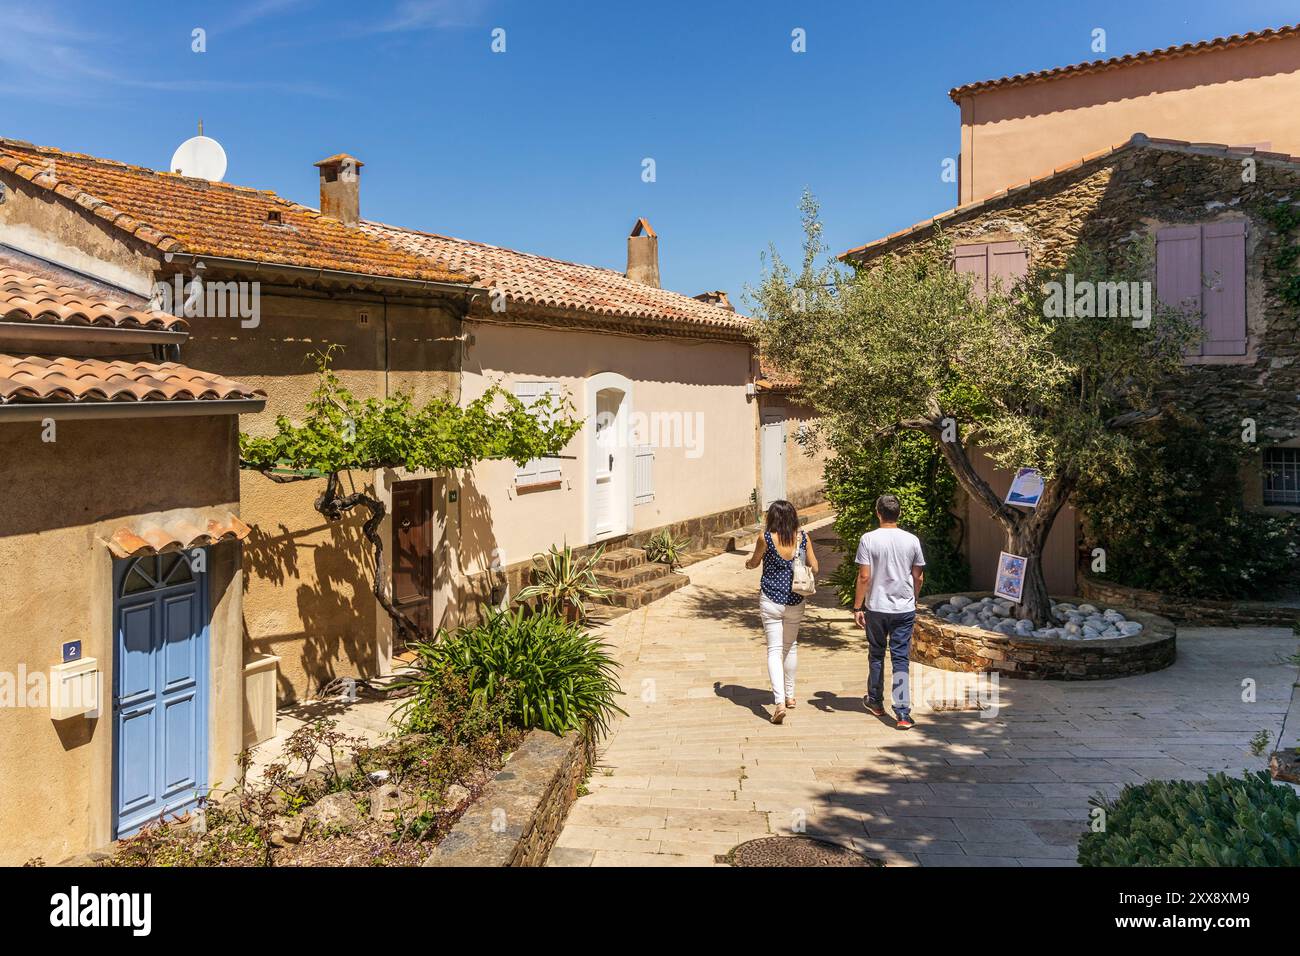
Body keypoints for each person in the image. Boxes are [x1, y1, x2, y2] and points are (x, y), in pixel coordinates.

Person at [852, 494, 925, 730]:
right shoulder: (912, 540)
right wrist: (914, 599)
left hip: (876, 607)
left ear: (878, 513)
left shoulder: (868, 539)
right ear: (899, 513)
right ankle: (903, 713)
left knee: (876, 654)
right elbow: (918, 576)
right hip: (904, 608)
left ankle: (875, 701)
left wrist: (857, 606)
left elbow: (864, 576)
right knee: (901, 658)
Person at [746, 499, 818, 724]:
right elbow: (815, 567)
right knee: (790, 646)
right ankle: (790, 695)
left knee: (774, 650)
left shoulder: (765, 538)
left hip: (771, 599)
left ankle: (778, 703)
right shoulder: (803, 537)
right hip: (796, 599)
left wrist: (749, 563)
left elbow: (755, 562)